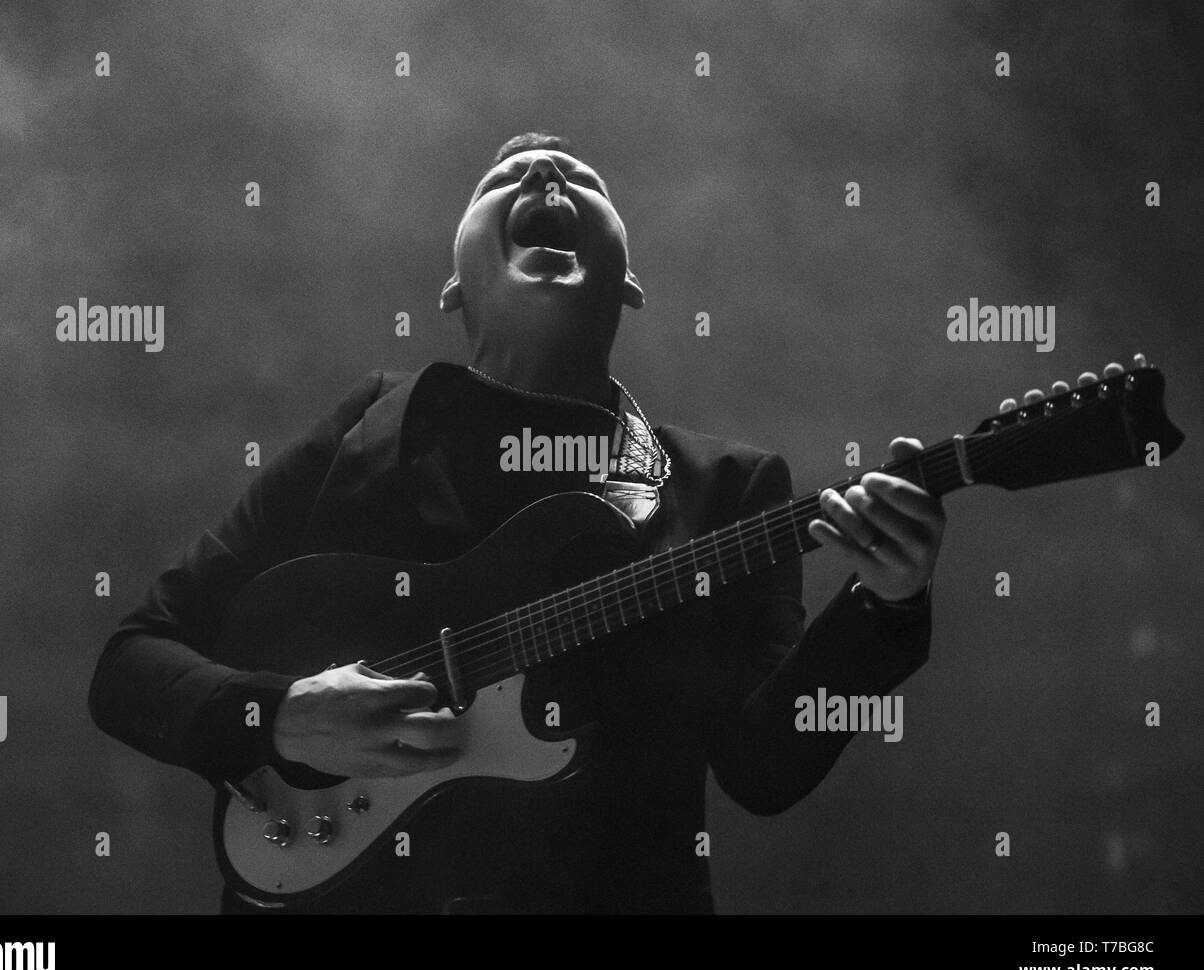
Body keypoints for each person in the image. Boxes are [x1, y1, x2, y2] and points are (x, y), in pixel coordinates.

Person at [90, 132, 947, 914]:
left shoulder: (723, 489)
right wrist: (277, 715)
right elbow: (133, 659)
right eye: (504, 176)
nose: (545, 173)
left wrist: (885, 607)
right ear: (455, 285)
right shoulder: (365, 430)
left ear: (631, 284)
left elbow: (765, 768)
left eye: (583, 175)